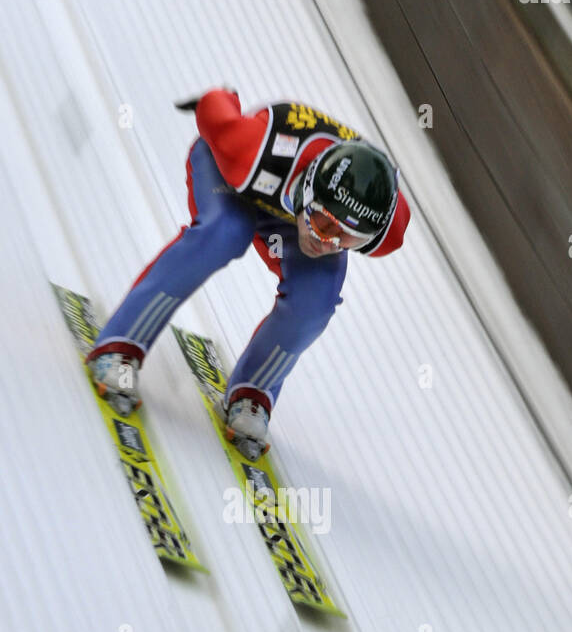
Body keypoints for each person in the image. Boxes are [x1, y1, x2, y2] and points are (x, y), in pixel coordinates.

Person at [87, 89, 411, 457]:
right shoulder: (250, 149)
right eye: (324, 224)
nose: (328, 242)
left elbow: (341, 227)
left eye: (347, 238)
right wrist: (223, 97)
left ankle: (254, 393)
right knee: (225, 233)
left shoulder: (387, 230)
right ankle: (120, 345)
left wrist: (321, 225)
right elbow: (216, 111)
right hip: (236, 173)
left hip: (287, 209)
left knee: (316, 299)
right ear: (307, 191)